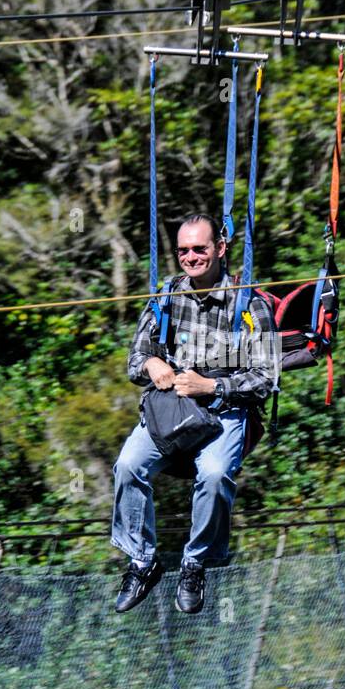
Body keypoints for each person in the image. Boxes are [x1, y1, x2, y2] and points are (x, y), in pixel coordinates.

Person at [112, 212, 278, 614]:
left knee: (216, 473)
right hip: (173, 410)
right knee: (128, 465)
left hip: (225, 410)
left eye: (200, 249)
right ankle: (142, 560)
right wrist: (152, 365)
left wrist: (212, 385)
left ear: (220, 249)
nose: (191, 257)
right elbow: (136, 356)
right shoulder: (166, 296)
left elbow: (267, 375)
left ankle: (194, 561)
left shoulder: (247, 303)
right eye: (184, 250)